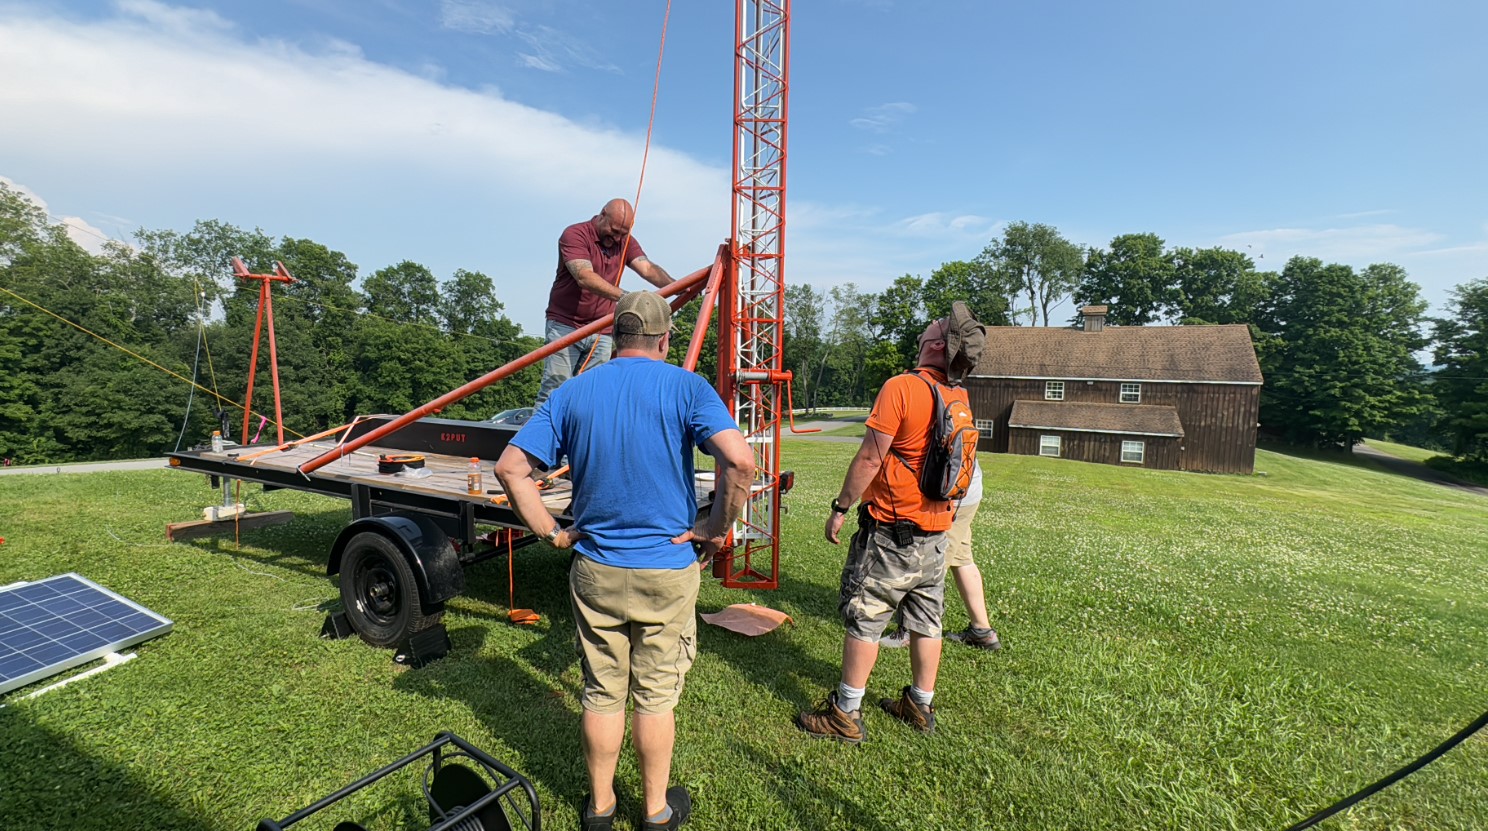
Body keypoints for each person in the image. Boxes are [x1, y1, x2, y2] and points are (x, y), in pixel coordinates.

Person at [495, 291, 754, 831]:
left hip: (595, 567)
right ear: (665, 339)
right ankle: (656, 812)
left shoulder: (573, 391)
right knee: (655, 696)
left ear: (614, 337)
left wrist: (551, 532)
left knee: (601, 691)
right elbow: (740, 461)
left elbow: (510, 467)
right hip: (666, 567)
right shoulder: (687, 387)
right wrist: (713, 529)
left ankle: (600, 808)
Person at [796, 303, 985, 743]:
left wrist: (841, 507)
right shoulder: (958, 396)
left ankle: (846, 713)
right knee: (927, 619)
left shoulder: (902, 387)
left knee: (866, 617)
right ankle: (920, 704)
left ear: (937, 343)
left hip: (892, 532)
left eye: (937, 323)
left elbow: (869, 457)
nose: (931, 322)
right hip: (937, 532)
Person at [535, 198, 674, 407]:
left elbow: (647, 268)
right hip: (566, 324)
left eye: (623, 233)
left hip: (602, 330)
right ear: (602, 215)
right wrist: (627, 298)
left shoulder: (625, 241)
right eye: (614, 230)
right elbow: (584, 276)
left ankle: (581, 438)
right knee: (556, 386)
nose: (617, 237)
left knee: (593, 392)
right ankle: (539, 438)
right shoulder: (575, 234)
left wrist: (678, 285)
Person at [880, 458, 1002, 651]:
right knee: (962, 559)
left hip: (945, 496)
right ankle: (982, 632)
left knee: (927, 566)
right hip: (964, 488)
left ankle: (910, 631)